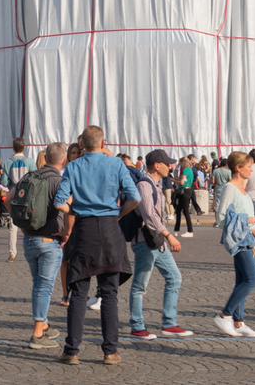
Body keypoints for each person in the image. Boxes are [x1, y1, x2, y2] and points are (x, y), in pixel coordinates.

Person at [53, 126, 140, 366]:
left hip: (84, 230)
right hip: (111, 229)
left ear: (82, 145)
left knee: (78, 293)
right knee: (109, 294)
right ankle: (110, 351)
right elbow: (135, 197)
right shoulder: (115, 164)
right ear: (103, 143)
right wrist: (119, 215)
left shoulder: (73, 166)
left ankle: (72, 351)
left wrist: (76, 211)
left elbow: (60, 202)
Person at [127, 150, 189, 341]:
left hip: (156, 242)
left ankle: (169, 323)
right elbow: (149, 216)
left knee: (174, 278)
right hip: (146, 241)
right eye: (167, 163)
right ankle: (137, 326)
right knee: (140, 285)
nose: (171, 166)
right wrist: (169, 236)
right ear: (157, 165)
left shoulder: (157, 185)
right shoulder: (144, 185)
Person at [15, 143, 67, 350]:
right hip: (49, 241)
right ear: (63, 161)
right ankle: (38, 333)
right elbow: (68, 207)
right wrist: (68, 232)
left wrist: (21, 225)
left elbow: (9, 200)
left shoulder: (29, 177)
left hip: (29, 239)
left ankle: (43, 324)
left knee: (38, 285)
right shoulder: (58, 180)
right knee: (44, 287)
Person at [214, 150, 255, 339]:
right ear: (238, 168)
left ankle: (238, 322)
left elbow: (251, 222)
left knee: (241, 281)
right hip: (239, 239)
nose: (251, 170)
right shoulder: (230, 188)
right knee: (252, 280)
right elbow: (221, 218)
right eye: (248, 166)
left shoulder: (243, 190)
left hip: (249, 238)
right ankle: (224, 314)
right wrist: (247, 220)